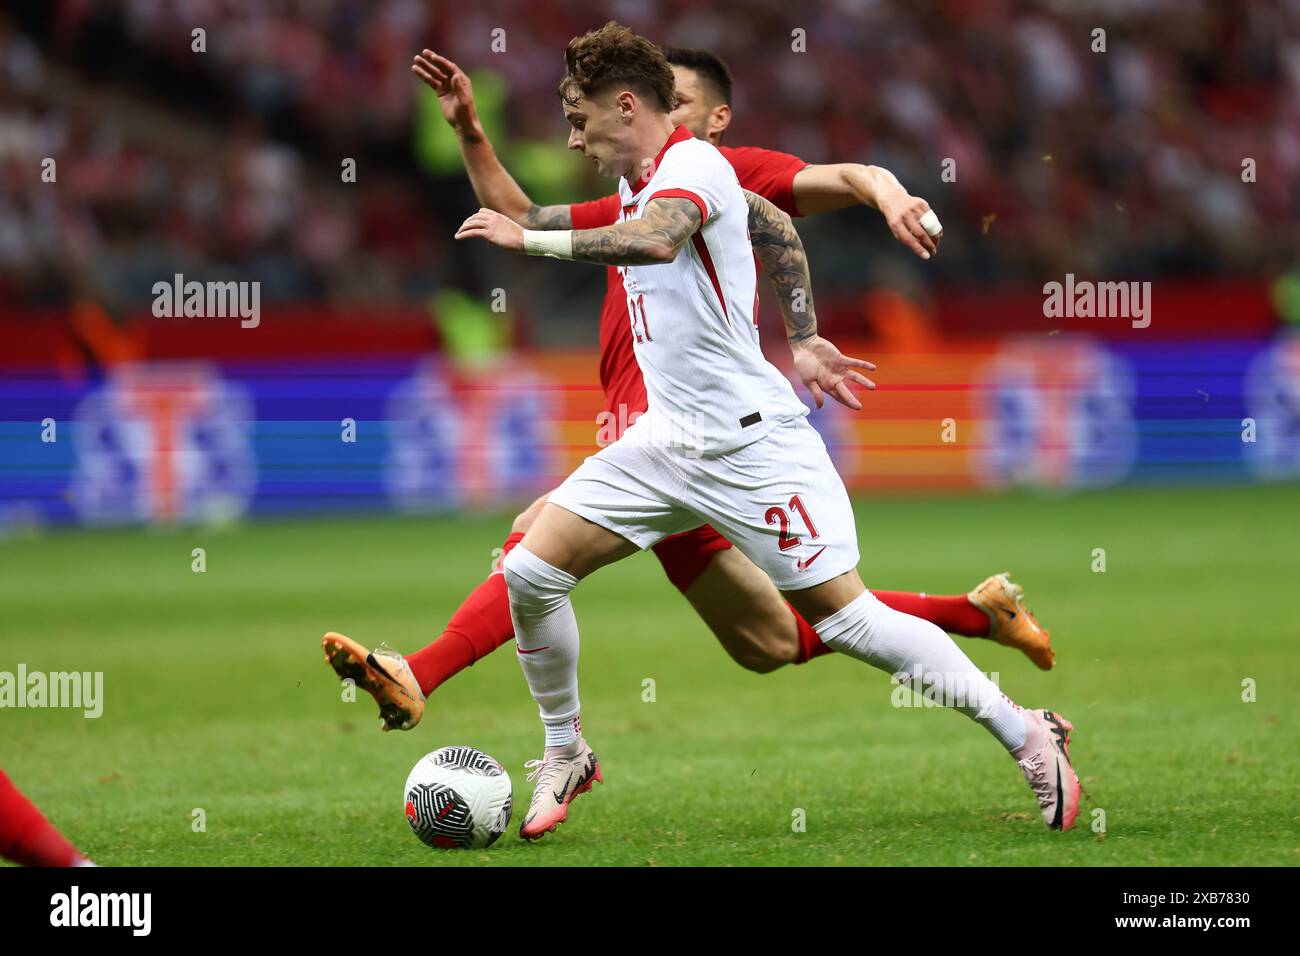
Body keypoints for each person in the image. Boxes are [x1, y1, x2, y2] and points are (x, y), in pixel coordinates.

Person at [449, 22, 1080, 839]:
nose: (572, 136)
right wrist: (807, 333)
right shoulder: (644, 177)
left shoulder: (690, 167)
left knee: (845, 621)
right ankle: (567, 750)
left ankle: (1028, 733)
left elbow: (654, 240)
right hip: (664, 442)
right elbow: (775, 229)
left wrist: (530, 241)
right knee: (531, 571)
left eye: (579, 117)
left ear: (627, 105)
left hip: (749, 444)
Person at [320, 41, 1055, 736]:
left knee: (534, 548)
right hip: (656, 432)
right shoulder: (637, 185)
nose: (661, 107)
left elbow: (843, 179)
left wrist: (890, 195)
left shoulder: (723, 172)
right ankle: (971, 613)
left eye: (679, 97)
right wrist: (471, 131)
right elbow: (522, 215)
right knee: (770, 640)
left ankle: (476, 704)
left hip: (691, 433)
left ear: (708, 116)